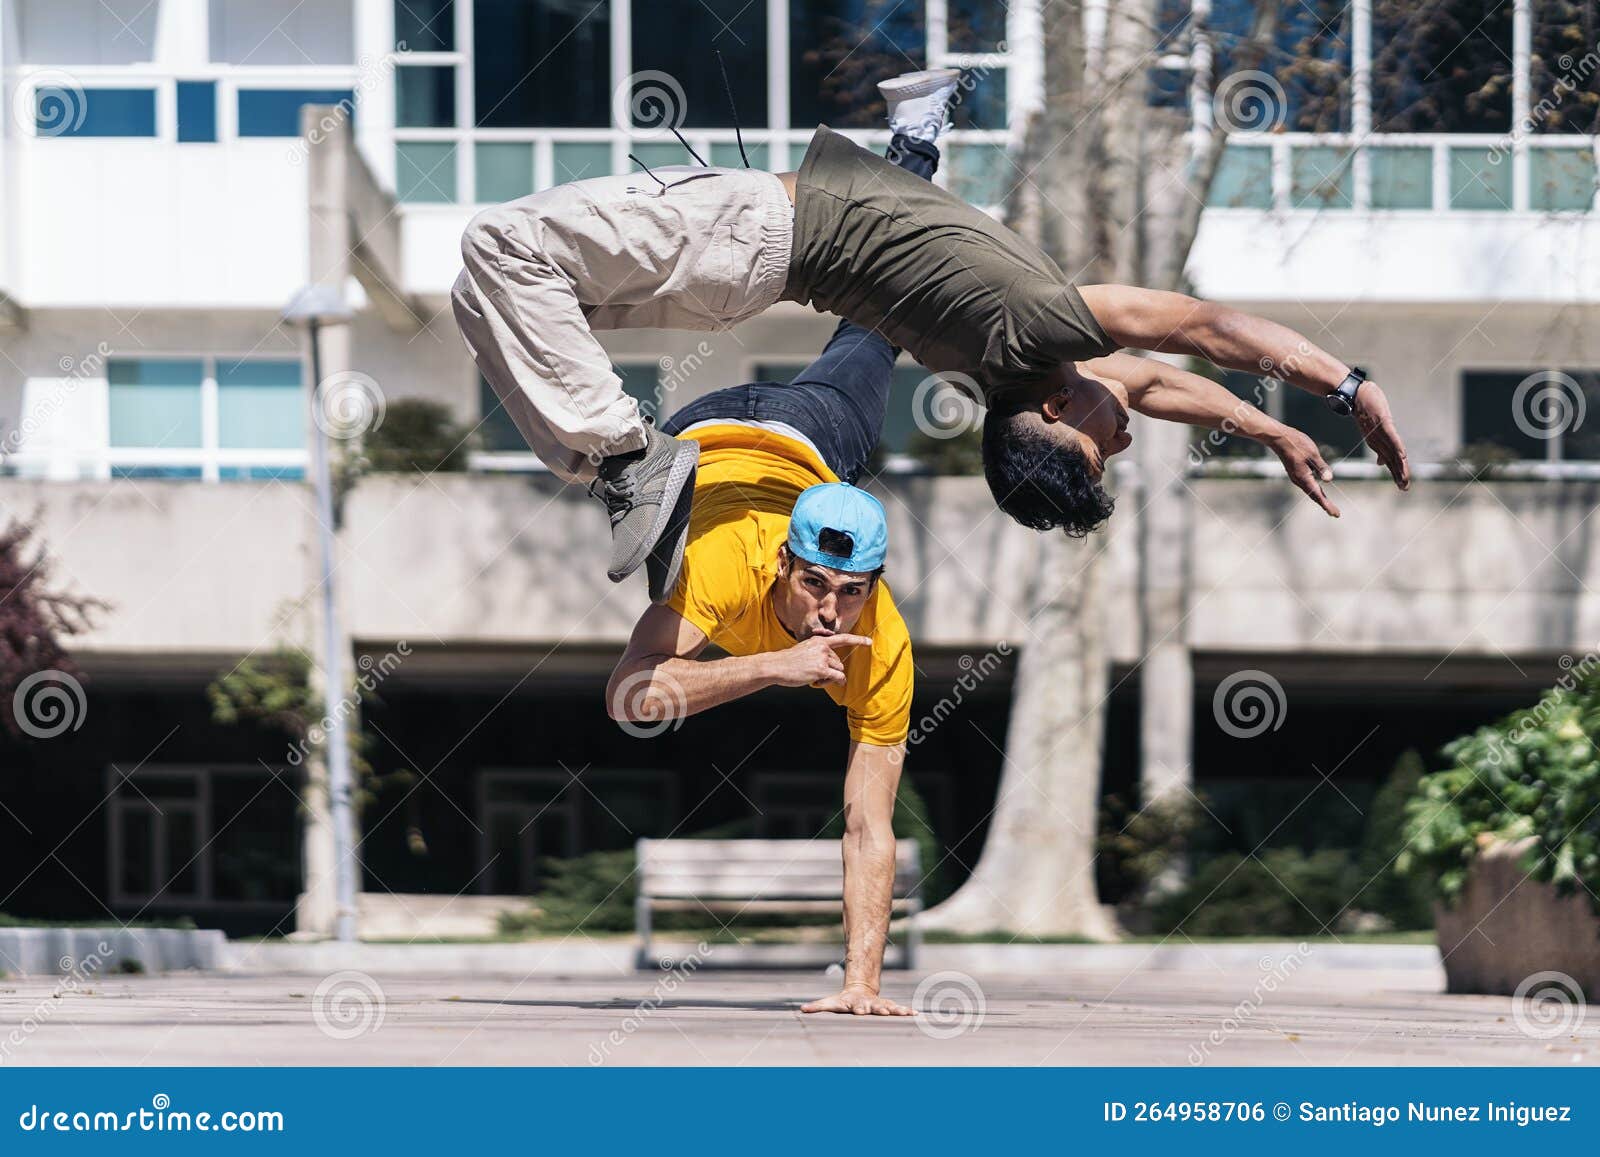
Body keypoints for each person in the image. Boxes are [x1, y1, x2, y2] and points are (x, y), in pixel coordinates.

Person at [452, 69, 1411, 601]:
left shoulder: (1030, 333)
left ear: (1049, 408)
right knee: (478, 292)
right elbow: (1158, 384)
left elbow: (1203, 328)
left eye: (1099, 444)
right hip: (745, 270)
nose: (1125, 434)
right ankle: (616, 467)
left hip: (743, 236)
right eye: (1115, 447)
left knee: (501, 247)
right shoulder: (1010, 360)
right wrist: (1280, 425)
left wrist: (1345, 384)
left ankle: (623, 460)